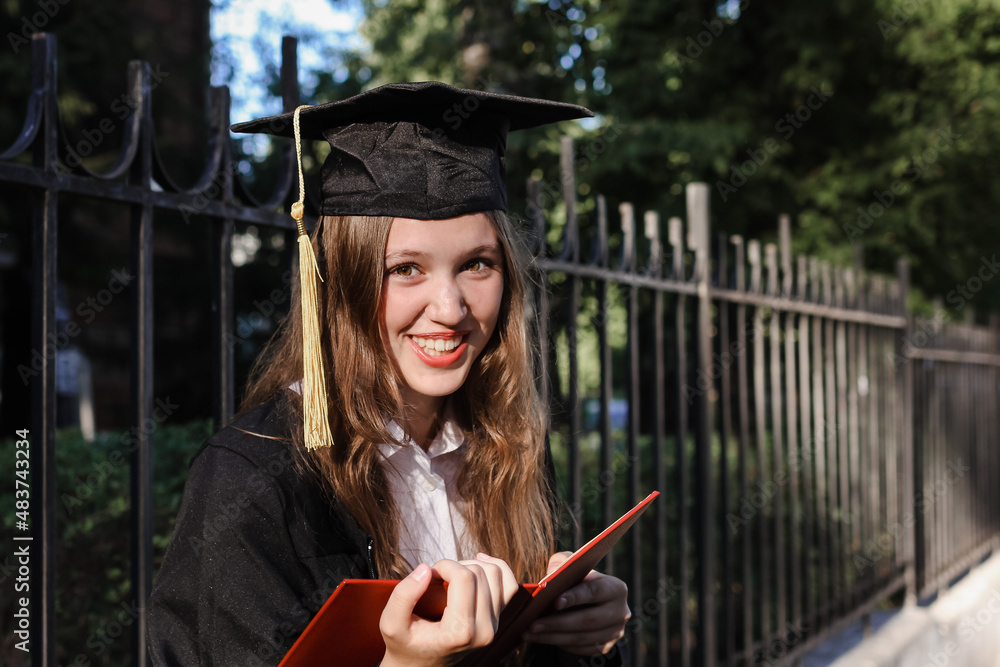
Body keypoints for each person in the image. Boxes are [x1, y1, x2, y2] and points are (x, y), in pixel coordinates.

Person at [147, 82, 630, 667]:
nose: (451, 308)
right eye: (405, 269)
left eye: (478, 264)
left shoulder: (508, 448)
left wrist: (586, 640)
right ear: (340, 282)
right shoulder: (253, 480)